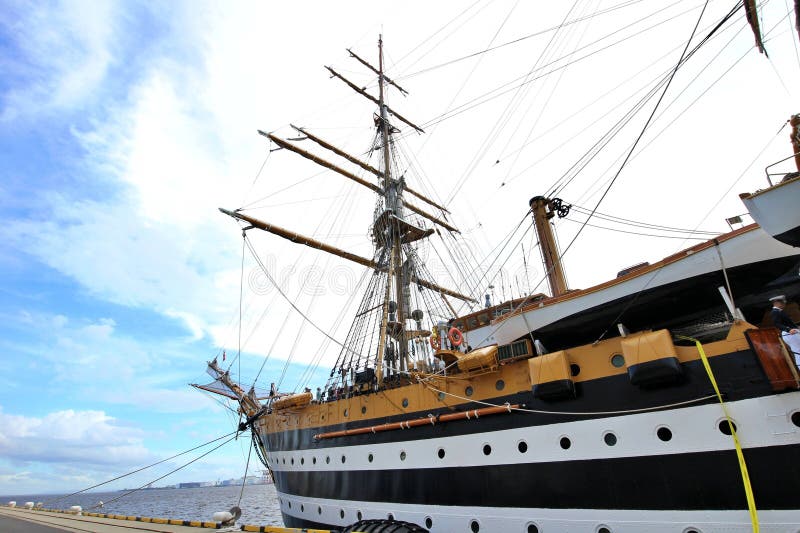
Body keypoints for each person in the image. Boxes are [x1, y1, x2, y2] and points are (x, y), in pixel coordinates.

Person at [770, 295, 800, 364]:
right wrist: (788, 329)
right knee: (798, 351)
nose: (784, 304)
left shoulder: (779, 311)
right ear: (777, 303)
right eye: (782, 303)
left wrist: (796, 327)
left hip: (792, 332)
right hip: (790, 333)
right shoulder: (775, 312)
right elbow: (777, 324)